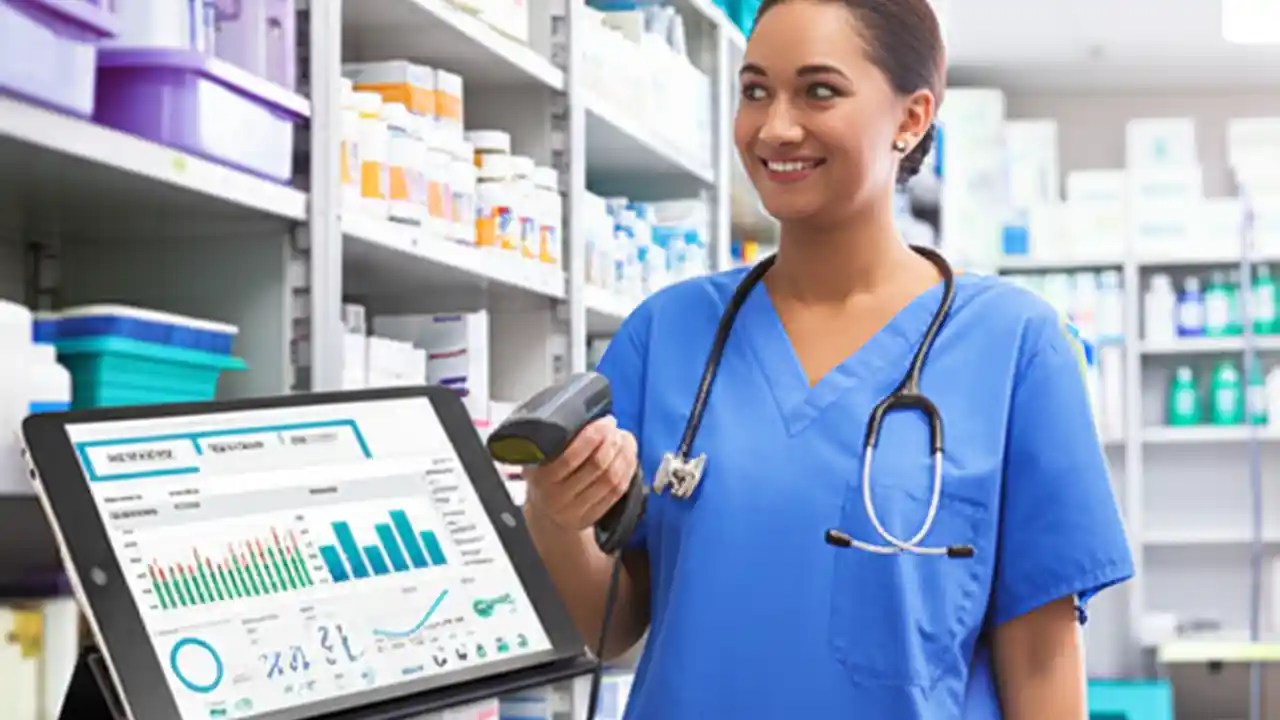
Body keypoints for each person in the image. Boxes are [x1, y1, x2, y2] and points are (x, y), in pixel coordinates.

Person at [522, 0, 1134, 716]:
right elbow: (614, 625)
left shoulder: (1015, 346)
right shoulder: (670, 332)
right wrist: (554, 512)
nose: (776, 127)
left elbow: (1041, 662)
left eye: (819, 90)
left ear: (911, 119)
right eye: (755, 91)